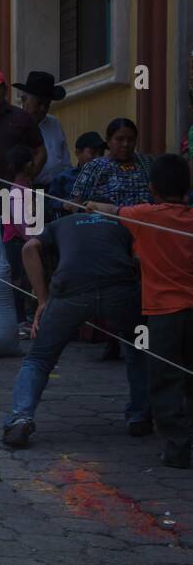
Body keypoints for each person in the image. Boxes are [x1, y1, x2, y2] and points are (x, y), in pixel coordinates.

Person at [0, 207, 150, 449]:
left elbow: (28, 249)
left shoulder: (62, 223)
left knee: (39, 359)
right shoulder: (121, 223)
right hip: (119, 288)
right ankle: (140, 416)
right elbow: (140, 259)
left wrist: (42, 300)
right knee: (138, 349)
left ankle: (20, 419)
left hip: (71, 291)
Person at [115, 155, 193, 468]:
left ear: (153, 189)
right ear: (187, 189)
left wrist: (84, 206)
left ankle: (177, 448)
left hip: (163, 314)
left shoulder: (144, 215)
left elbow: (111, 211)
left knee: (163, 380)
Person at [0, 68, 46, 191]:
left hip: (15, 192)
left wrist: (28, 176)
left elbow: (40, 151)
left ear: (5, 90)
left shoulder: (22, 117)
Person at [72, 118, 154, 211]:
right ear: (108, 140)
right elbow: (77, 202)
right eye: (120, 139)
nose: (125, 144)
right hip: (106, 223)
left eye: (131, 140)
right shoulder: (94, 167)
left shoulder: (146, 163)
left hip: (143, 222)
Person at [13, 71, 71, 188]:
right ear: (24, 100)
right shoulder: (13, 123)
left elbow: (65, 162)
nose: (43, 109)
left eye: (47, 104)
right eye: (38, 104)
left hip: (55, 190)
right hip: (25, 189)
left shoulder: (54, 123)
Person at [3, 145, 37, 330]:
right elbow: (20, 221)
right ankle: (19, 319)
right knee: (18, 280)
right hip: (17, 241)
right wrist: (31, 238)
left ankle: (25, 316)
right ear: (26, 164)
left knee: (25, 279)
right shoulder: (17, 190)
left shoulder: (27, 185)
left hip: (25, 239)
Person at [47, 131, 105, 221]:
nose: (98, 158)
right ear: (78, 153)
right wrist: (64, 204)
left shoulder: (109, 177)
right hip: (71, 225)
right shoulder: (64, 177)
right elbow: (49, 202)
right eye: (93, 153)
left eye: (101, 153)